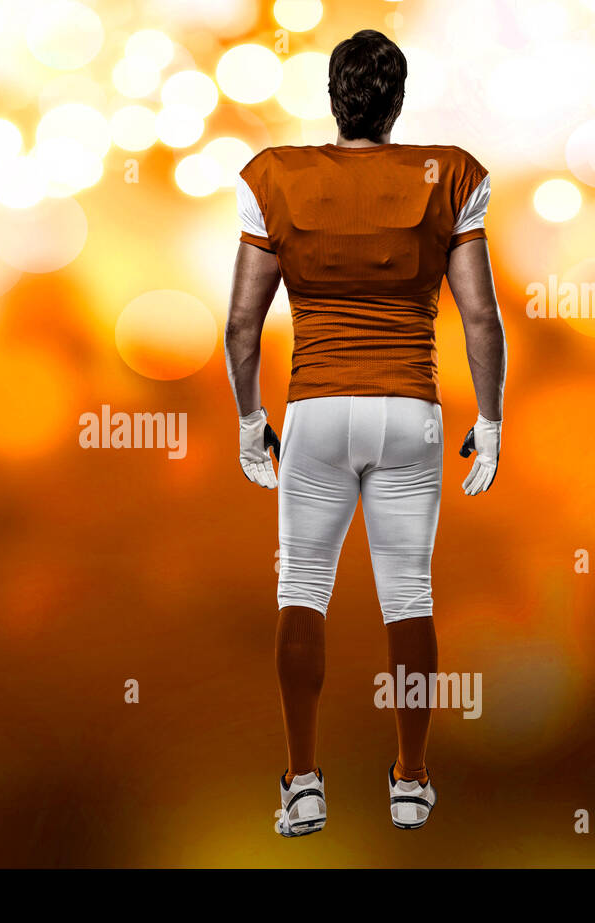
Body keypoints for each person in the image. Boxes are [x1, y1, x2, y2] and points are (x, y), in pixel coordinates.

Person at [223, 29, 507, 835]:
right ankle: (411, 781)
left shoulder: (275, 174)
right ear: (398, 101)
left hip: (315, 407)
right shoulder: (449, 173)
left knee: (301, 587)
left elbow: (243, 325)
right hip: (410, 407)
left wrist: (251, 422)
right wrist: (489, 420)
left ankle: (304, 783)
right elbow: (479, 316)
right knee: (409, 594)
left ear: (332, 98)